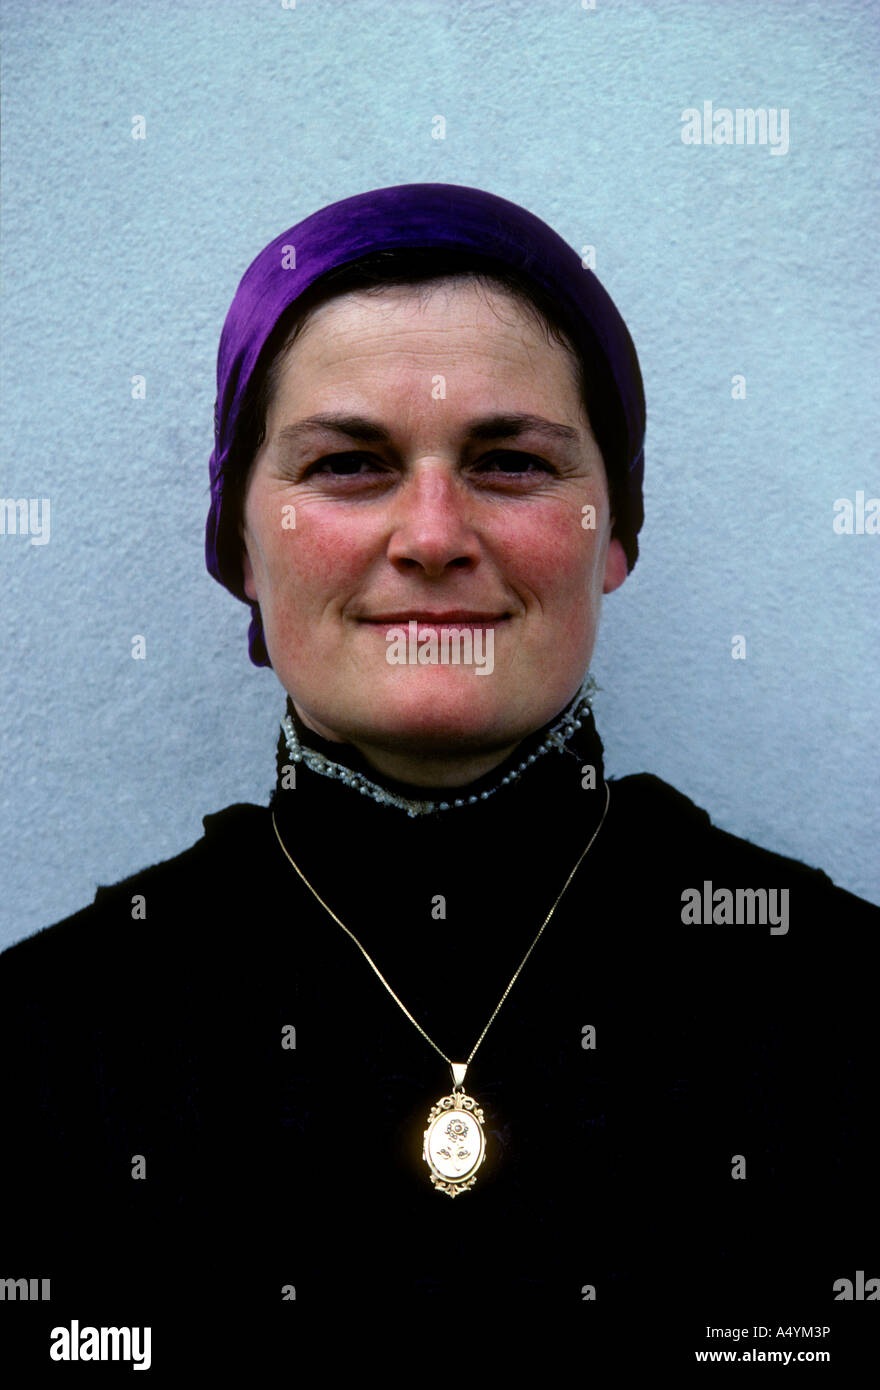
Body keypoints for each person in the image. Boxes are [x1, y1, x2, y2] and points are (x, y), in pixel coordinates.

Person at [1, 184, 876, 1368]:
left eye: (509, 461)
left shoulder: (840, 1009)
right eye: (350, 463)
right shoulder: (45, 1047)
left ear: (611, 530)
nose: (429, 534)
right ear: (239, 542)